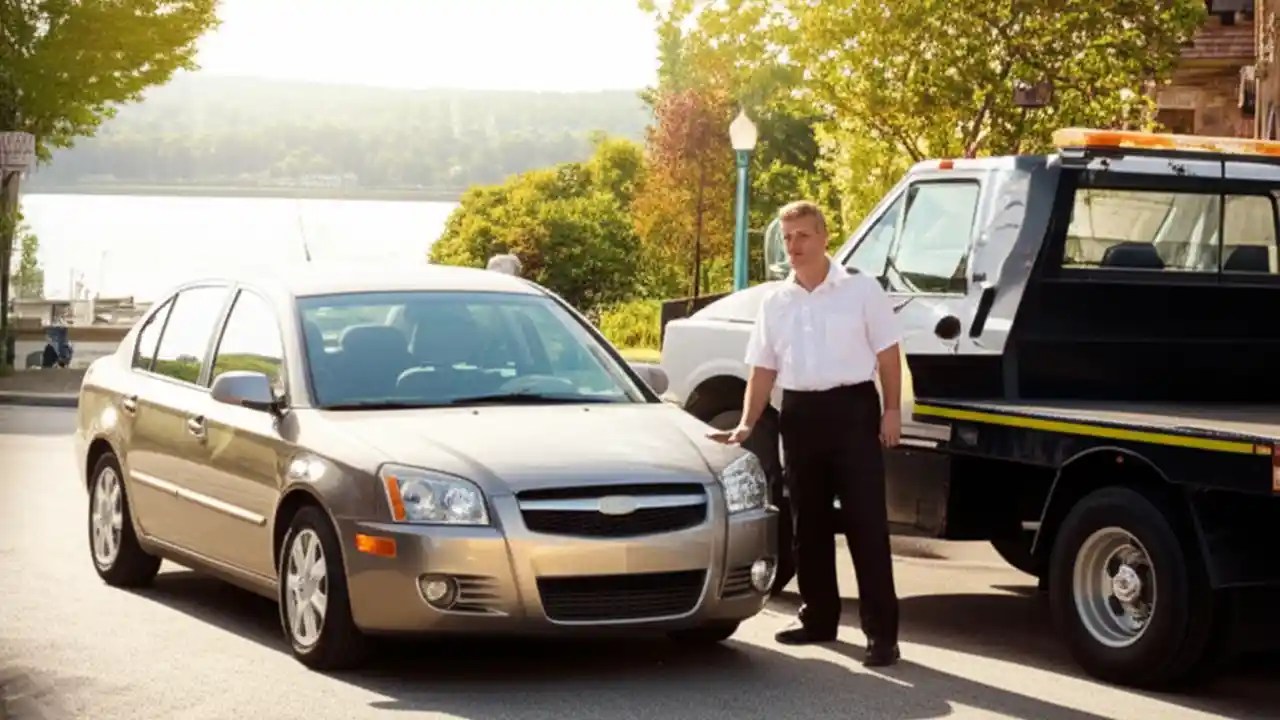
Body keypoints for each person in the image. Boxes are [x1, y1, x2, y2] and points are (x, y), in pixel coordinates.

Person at [708, 200, 903, 667]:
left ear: (823, 237)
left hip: (854, 409)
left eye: (803, 236)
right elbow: (763, 368)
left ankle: (882, 635)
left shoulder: (860, 290)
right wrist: (747, 421)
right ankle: (818, 618)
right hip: (799, 413)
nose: (794, 246)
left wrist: (892, 410)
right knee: (807, 523)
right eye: (787, 237)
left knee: (865, 524)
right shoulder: (775, 301)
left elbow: (889, 355)